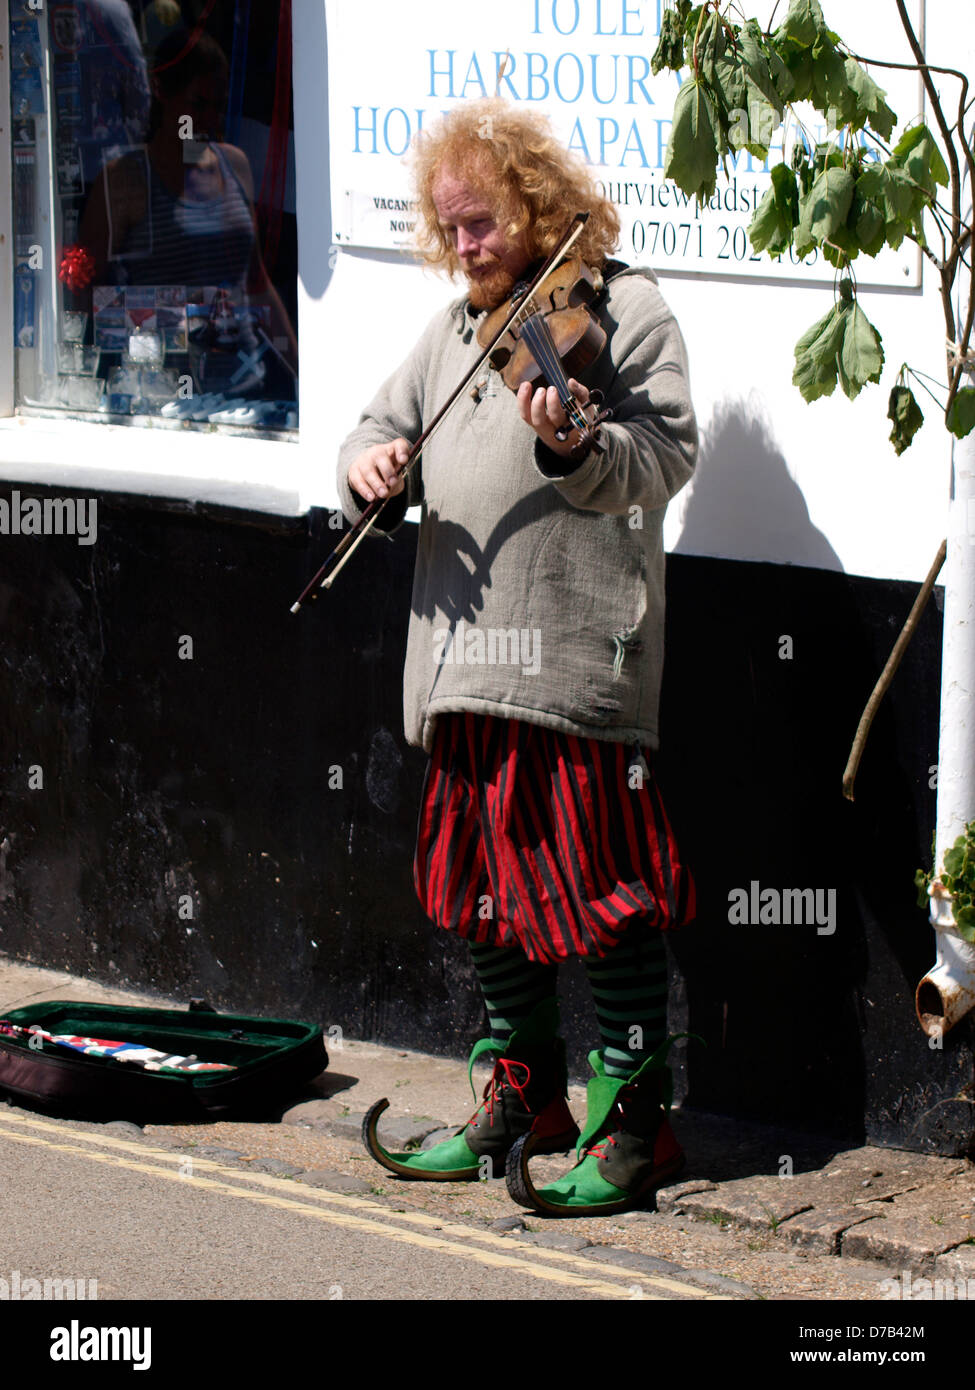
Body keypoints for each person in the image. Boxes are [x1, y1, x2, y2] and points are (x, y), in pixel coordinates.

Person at [336, 99, 698, 1217]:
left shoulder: (624, 309)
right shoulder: (452, 333)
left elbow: (663, 455)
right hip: (460, 668)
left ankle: (636, 1122)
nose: (465, 248)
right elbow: (364, 429)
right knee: (485, 894)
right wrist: (373, 464)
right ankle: (524, 1095)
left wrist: (571, 442)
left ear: (536, 202)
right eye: (449, 232)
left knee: (605, 897)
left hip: (576, 666)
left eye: (480, 223)